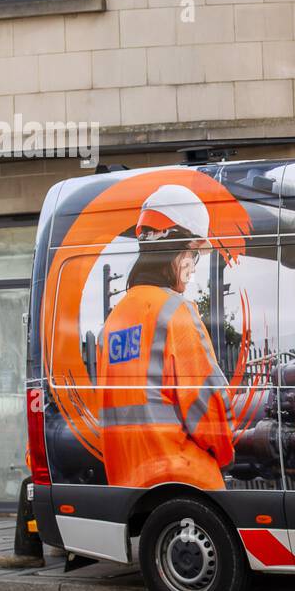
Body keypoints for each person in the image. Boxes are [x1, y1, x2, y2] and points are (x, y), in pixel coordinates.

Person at [96, 184, 234, 490]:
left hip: (128, 484)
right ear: (177, 249)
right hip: (186, 480)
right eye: (193, 256)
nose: (191, 268)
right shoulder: (175, 311)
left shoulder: (113, 322)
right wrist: (227, 451)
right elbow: (208, 402)